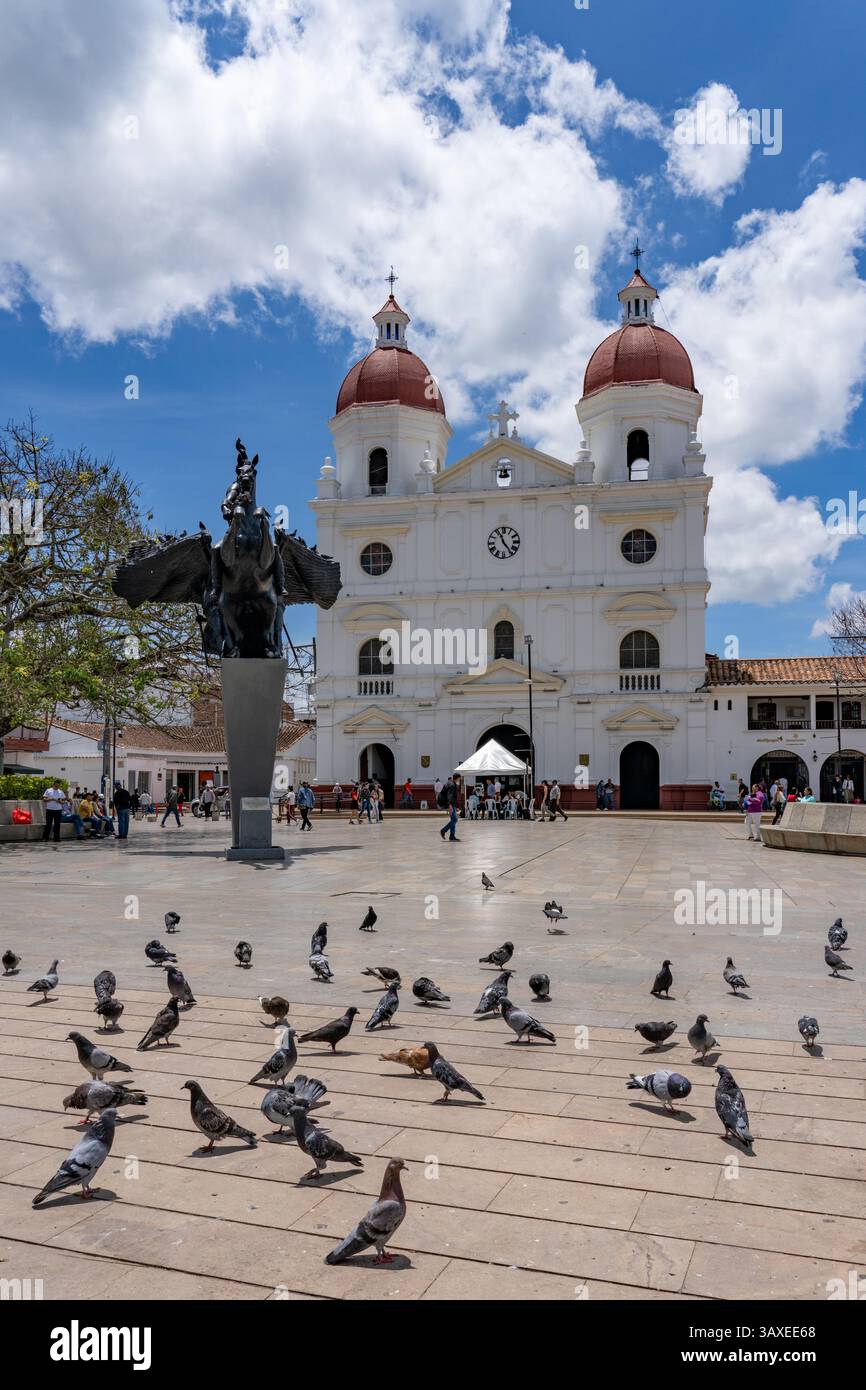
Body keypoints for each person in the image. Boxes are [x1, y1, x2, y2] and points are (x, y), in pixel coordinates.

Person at [439, 776, 459, 842]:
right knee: (455, 820)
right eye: (459, 778)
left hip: (451, 804)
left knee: (453, 820)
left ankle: (452, 836)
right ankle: (443, 830)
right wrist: (450, 806)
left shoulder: (449, 783)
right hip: (451, 804)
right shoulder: (452, 785)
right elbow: (450, 795)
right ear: (458, 778)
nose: (460, 780)